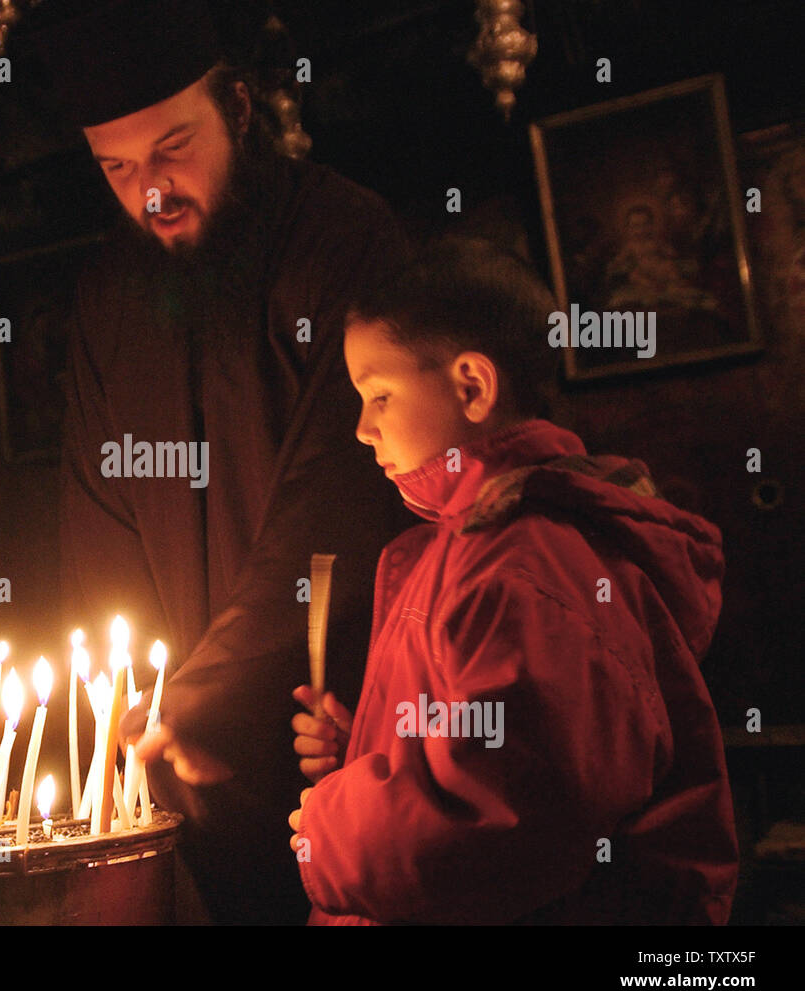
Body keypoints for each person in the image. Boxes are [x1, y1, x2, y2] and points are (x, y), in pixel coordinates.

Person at [24, 0, 410, 922]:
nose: (148, 192)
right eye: (116, 168)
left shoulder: (344, 238)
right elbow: (96, 514)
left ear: (238, 107)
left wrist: (204, 700)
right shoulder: (110, 292)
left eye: (171, 150)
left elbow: (336, 507)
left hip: (332, 733)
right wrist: (133, 709)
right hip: (180, 759)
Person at [289, 238, 739, 924]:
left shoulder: (526, 563)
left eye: (379, 394)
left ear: (472, 385)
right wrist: (374, 748)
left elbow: (513, 810)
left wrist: (337, 825)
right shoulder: (471, 543)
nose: (362, 428)